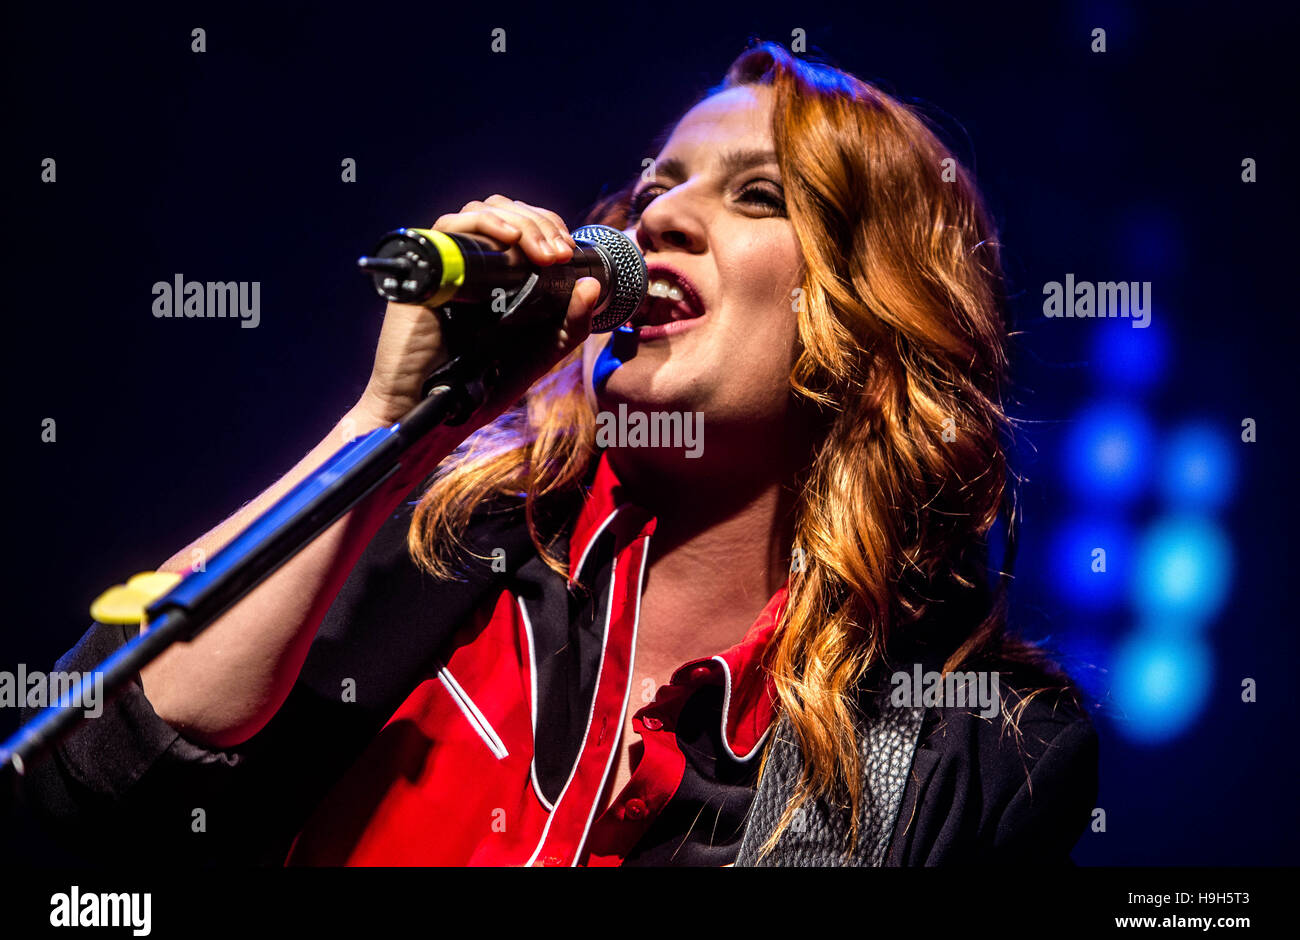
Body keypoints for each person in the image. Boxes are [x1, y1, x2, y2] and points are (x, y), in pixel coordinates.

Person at [17, 40, 1097, 866]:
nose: (662, 214)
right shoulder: (438, 539)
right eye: (656, 184)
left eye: (757, 195)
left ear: (873, 321)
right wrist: (391, 421)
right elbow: (86, 779)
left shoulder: (974, 745)